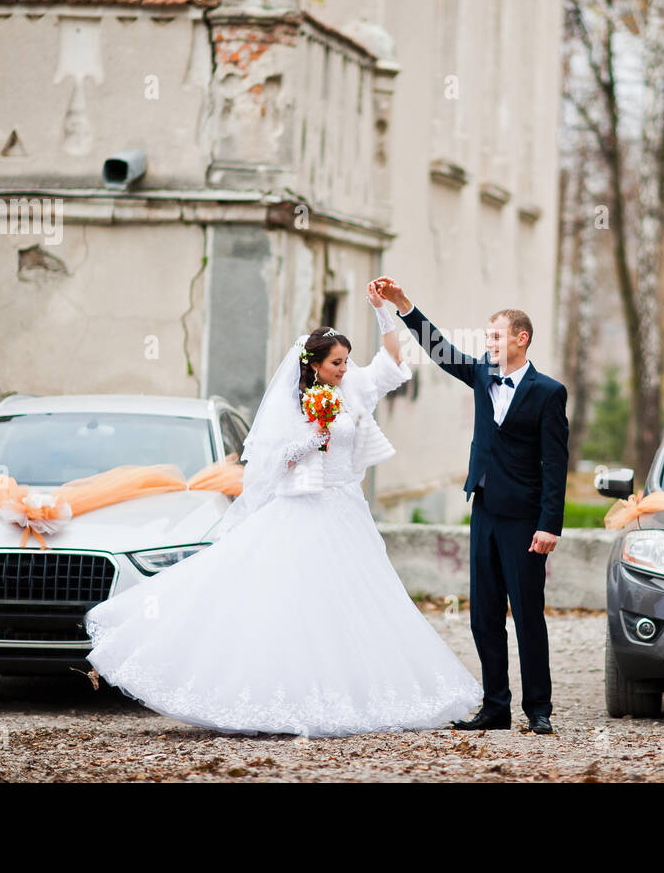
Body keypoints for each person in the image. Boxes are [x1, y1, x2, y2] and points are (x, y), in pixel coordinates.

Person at [82, 284, 482, 737]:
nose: (343, 369)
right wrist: (316, 436)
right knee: (293, 601)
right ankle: (279, 696)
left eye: (346, 361)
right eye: (335, 363)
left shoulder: (352, 387)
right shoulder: (293, 400)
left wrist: (383, 312)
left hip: (346, 508)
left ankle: (348, 692)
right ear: (313, 364)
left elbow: (392, 361)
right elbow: (272, 461)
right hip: (303, 509)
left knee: (352, 602)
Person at [371, 276, 568, 735]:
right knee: (483, 617)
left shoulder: (548, 392)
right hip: (484, 512)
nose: (489, 343)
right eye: (487, 336)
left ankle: (538, 709)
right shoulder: (481, 372)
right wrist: (404, 306)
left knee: (527, 617)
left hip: (525, 520)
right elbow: (440, 350)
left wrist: (549, 524)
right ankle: (495, 707)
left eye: (497, 336)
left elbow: (556, 463)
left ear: (522, 339)